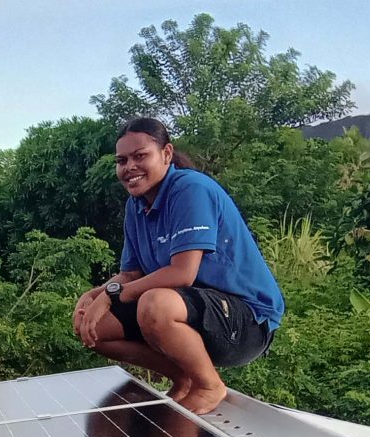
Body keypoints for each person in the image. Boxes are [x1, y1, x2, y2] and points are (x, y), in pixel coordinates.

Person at [72, 117, 284, 415]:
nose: (129, 167)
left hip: (247, 322)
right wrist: (95, 295)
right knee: (94, 325)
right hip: (190, 310)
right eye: (121, 161)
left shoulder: (190, 189)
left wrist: (111, 295)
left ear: (166, 154)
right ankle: (183, 377)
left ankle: (209, 386)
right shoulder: (136, 205)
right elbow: (130, 274)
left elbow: (182, 273)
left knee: (154, 303)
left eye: (140, 156)